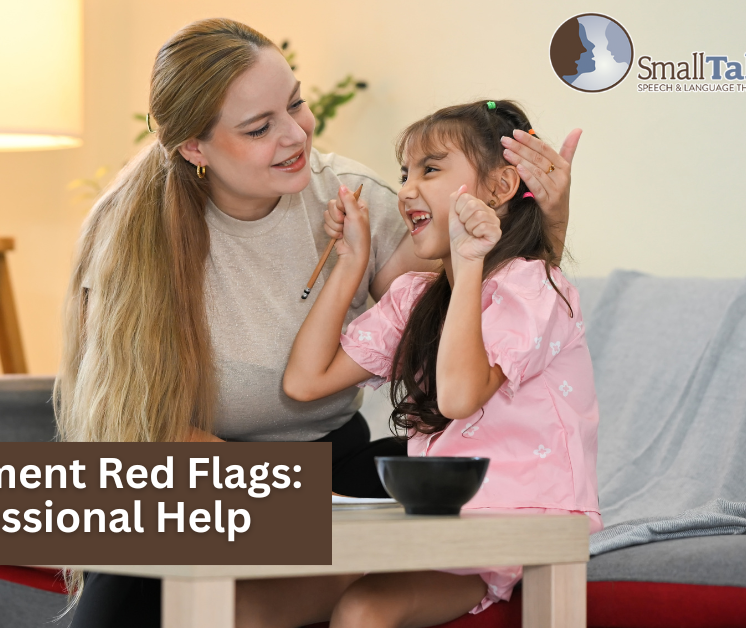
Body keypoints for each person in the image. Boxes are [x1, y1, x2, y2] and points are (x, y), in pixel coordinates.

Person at [56, 16, 579, 627]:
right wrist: (290, 501)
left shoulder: (349, 196)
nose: (295, 134)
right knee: (126, 605)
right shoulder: (129, 234)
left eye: (296, 104)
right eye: (259, 128)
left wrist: (548, 217)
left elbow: (474, 304)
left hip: (333, 466)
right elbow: (141, 429)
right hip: (195, 473)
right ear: (195, 148)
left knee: (443, 480)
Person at [278, 100, 601, 627]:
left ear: (498, 190)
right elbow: (306, 382)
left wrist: (469, 260)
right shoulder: (415, 295)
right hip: (433, 524)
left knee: (364, 608)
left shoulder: (532, 287)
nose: (405, 189)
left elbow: (456, 397)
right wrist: (351, 262)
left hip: (513, 526)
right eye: (405, 172)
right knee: (244, 607)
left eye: (430, 169)